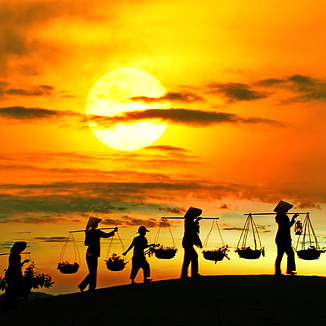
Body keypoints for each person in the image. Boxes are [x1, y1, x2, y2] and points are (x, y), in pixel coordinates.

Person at [78, 217, 117, 292]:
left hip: (89, 252)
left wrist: (87, 234)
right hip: (93, 253)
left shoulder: (90, 232)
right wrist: (113, 231)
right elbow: (106, 235)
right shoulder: (97, 232)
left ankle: (89, 287)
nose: (97, 225)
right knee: (93, 271)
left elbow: (86, 243)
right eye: (96, 224)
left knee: (92, 271)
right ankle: (84, 286)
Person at [2, 241, 30, 311]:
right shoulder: (16, 255)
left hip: (11, 274)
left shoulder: (13, 255)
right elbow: (16, 266)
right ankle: (10, 306)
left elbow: (15, 265)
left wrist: (23, 262)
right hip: (14, 274)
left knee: (12, 290)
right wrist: (23, 263)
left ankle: (10, 306)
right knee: (13, 290)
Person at [274, 200, 298, 276]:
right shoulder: (281, 217)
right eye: (286, 209)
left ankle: (286, 270)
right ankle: (281, 271)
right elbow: (287, 226)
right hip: (283, 238)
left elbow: (287, 226)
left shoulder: (281, 216)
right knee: (284, 254)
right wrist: (293, 219)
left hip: (283, 238)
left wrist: (293, 219)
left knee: (285, 254)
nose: (287, 210)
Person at [181, 207, 203, 278]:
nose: (196, 216)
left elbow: (192, 227)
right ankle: (194, 273)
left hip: (187, 242)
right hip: (188, 242)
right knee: (194, 256)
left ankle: (184, 274)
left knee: (187, 259)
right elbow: (191, 229)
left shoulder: (189, 220)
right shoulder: (188, 220)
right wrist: (196, 221)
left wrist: (196, 221)